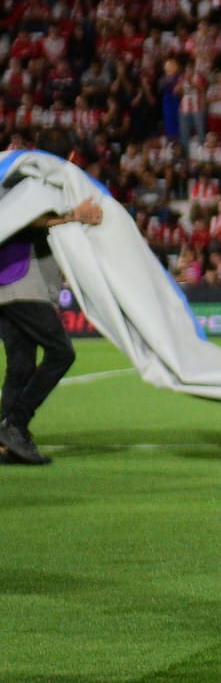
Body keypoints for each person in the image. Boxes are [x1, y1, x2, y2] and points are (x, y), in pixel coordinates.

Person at [0, 135, 103, 466]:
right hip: (21, 281)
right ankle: (15, 424)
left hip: (9, 282)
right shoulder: (33, 179)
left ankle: (5, 444)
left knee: (21, 365)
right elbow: (29, 219)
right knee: (61, 352)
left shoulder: (12, 176)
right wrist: (76, 215)